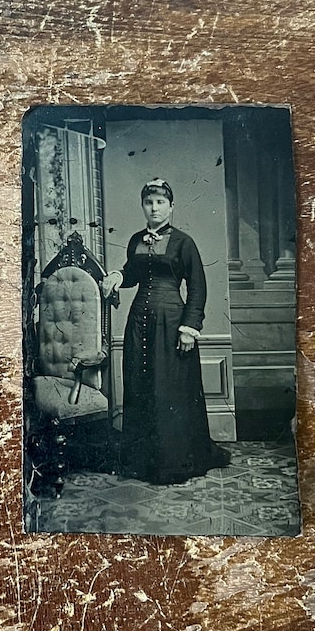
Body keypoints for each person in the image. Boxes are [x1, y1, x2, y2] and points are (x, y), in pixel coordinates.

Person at [103, 179, 230, 484]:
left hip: (172, 323)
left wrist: (189, 328)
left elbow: (197, 287)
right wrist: (118, 275)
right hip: (139, 322)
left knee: (169, 388)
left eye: (160, 202)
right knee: (140, 383)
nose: (154, 208)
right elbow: (133, 273)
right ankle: (142, 460)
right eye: (149, 202)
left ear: (171, 207)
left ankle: (172, 460)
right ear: (143, 206)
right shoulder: (136, 239)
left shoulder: (184, 242)